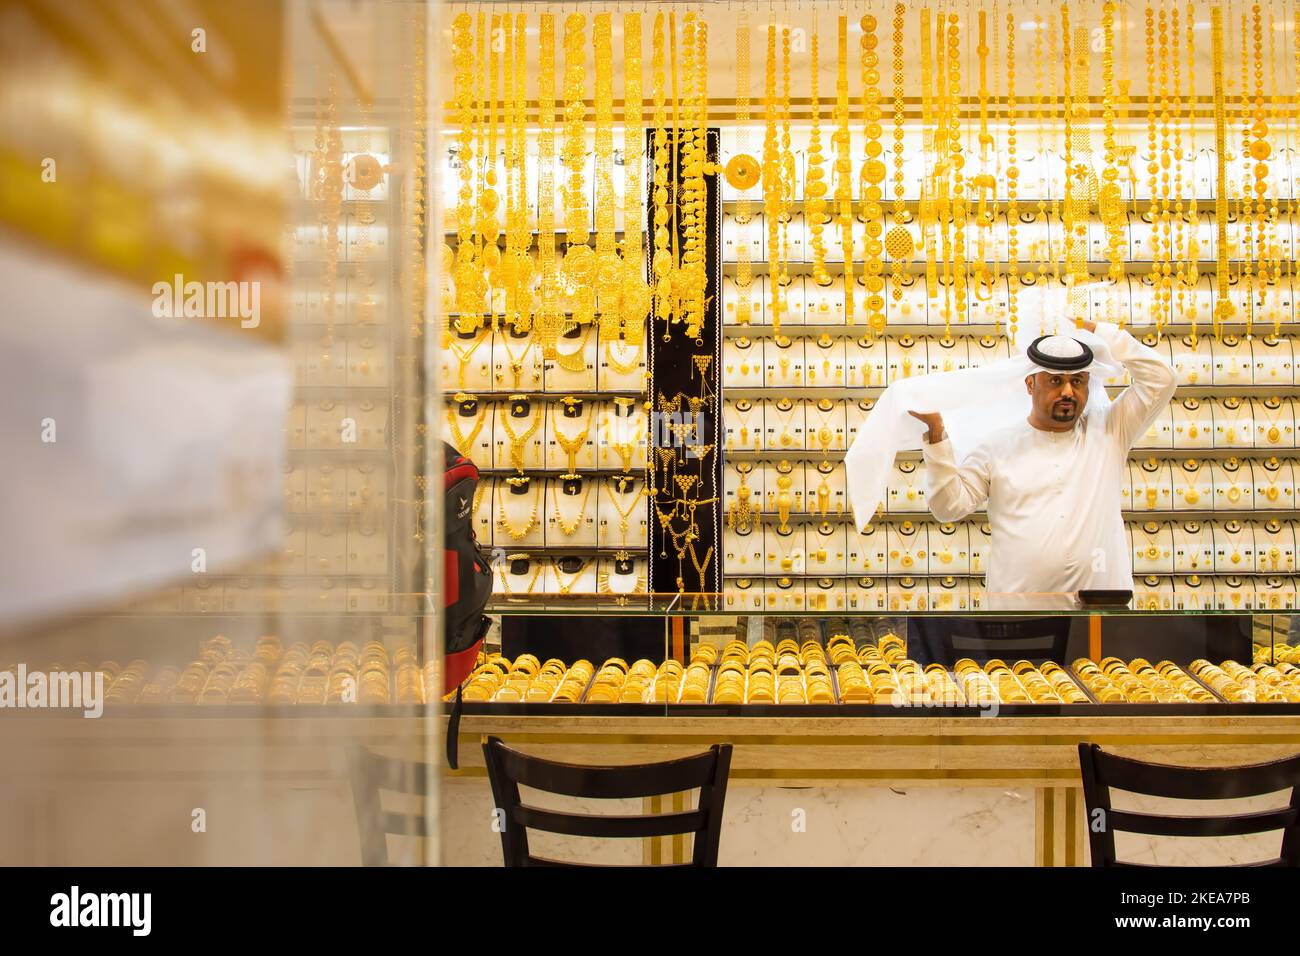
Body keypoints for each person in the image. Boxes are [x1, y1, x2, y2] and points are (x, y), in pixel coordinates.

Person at [905, 320, 1176, 606]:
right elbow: (947, 506)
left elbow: (1162, 379)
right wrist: (936, 432)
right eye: (1056, 381)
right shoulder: (997, 447)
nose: (1069, 391)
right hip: (1021, 616)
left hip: (1101, 614)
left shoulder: (1110, 431)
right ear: (1031, 384)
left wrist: (1104, 333)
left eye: (1078, 381)